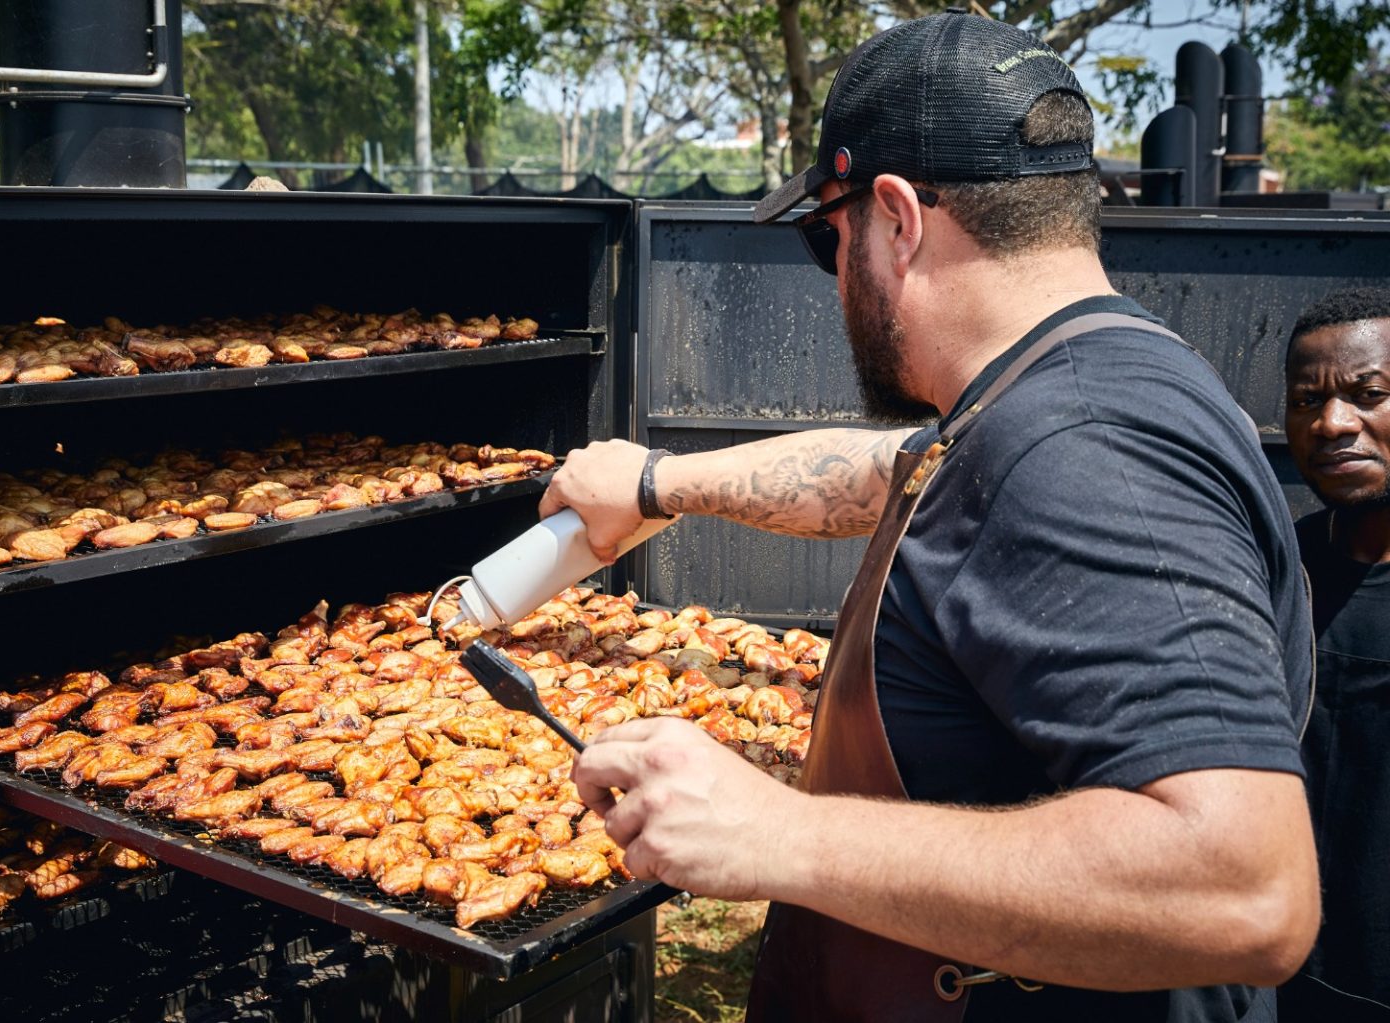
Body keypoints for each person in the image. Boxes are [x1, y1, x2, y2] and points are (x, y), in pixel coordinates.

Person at [540, 11, 1320, 1022]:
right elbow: (896, 474)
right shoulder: (1067, 391)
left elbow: (1247, 890)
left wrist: (781, 834)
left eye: (829, 234)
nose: (830, 275)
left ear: (898, 218)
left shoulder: (1082, 446)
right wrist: (655, 485)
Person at [1280, 287, 1390, 1017]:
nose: (1333, 423)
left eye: (1367, 394)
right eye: (1308, 401)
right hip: (1282, 979)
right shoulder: (1275, 566)